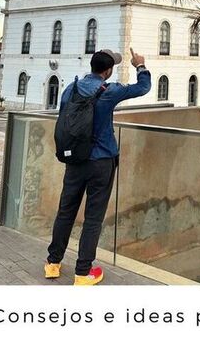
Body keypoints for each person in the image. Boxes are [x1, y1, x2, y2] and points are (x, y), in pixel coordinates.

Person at [45, 46, 151, 286]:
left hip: (74, 159)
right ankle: (83, 272)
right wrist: (140, 66)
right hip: (101, 160)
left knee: (66, 211)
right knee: (93, 217)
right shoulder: (109, 90)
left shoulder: (71, 88)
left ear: (92, 66)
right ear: (108, 70)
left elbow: (64, 117)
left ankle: (53, 263)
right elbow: (142, 88)